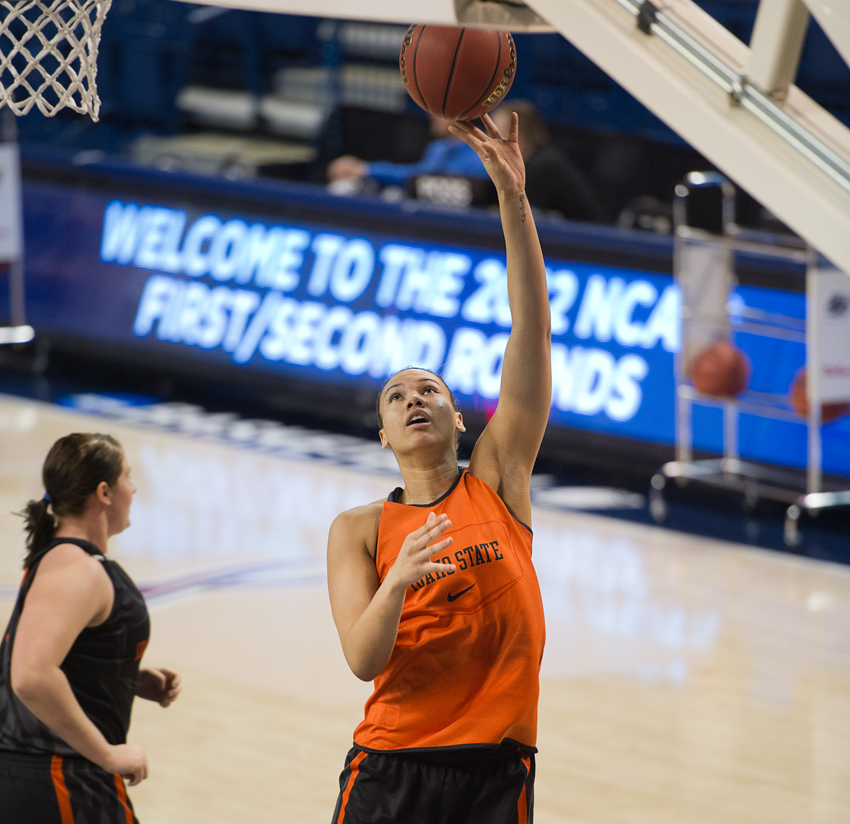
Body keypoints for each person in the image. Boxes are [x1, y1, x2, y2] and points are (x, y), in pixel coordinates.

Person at [327, 111, 550, 824]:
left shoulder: (497, 481)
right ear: (385, 435)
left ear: (460, 420)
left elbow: (531, 330)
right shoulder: (361, 531)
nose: (412, 398)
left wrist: (513, 196)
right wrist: (396, 581)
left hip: (496, 770)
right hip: (392, 770)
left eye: (430, 390)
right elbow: (363, 660)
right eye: (396, 396)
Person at [0, 433, 181, 824]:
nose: (133, 488)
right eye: (127, 477)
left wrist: (123, 677)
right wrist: (109, 754)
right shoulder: (77, 570)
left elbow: (51, 657)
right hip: (59, 776)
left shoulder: (65, 559)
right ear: (104, 492)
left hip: (50, 774)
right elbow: (30, 675)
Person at [492, 100, 606, 223]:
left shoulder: (543, 167)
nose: (489, 143)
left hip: (584, 238)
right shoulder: (539, 160)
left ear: (518, 140)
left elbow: (519, 218)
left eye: (495, 137)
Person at [326, 113, 488, 191]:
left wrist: (366, 169)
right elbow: (417, 176)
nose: (431, 115)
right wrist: (364, 169)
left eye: (439, 111)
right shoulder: (439, 148)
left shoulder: (483, 152)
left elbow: (432, 181)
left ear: (461, 113)